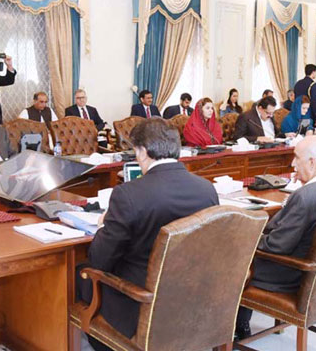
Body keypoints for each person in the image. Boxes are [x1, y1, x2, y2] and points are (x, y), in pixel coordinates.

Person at [76, 119, 219, 350]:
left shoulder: (128, 194)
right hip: (192, 300)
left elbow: (100, 260)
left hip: (141, 304)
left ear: (142, 151)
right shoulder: (206, 190)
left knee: (77, 273)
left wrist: (104, 225)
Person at [235, 135, 316, 339]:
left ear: (312, 162)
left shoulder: (306, 196)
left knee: (232, 256)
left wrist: (246, 241)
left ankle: (233, 329)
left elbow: (275, 246)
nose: (292, 164)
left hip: (291, 272)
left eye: (296, 157)